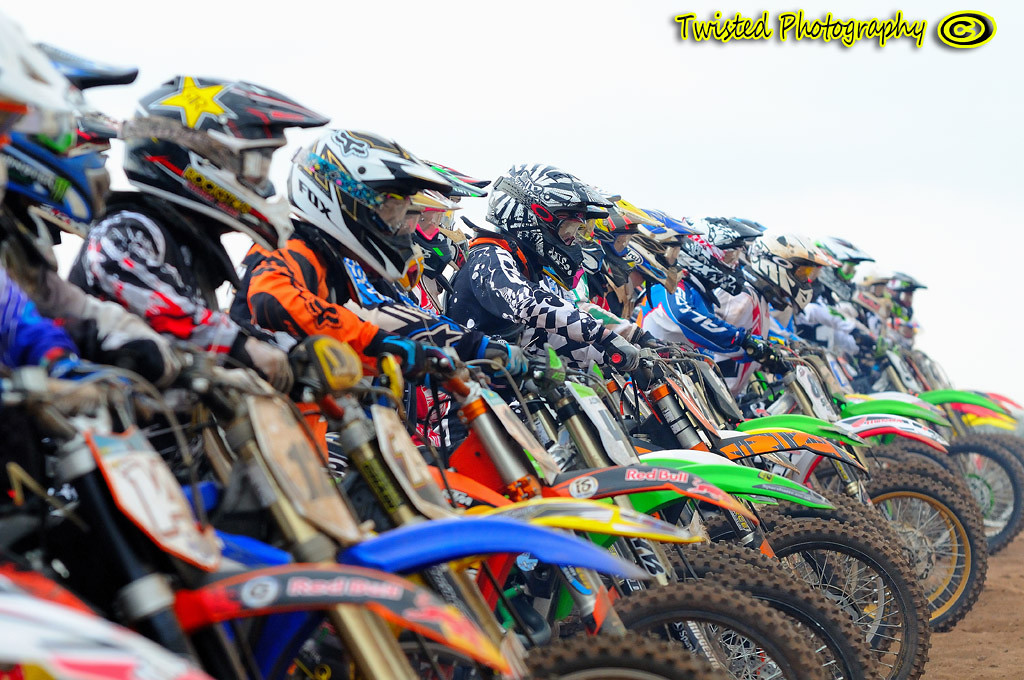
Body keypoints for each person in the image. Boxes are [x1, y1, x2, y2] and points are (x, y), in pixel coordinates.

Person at [69, 76, 330, 392]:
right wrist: (240, 346)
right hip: (93, 409)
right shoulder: (127, 228)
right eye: (253, 167)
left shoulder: (188, 244)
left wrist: (290, 351)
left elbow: (209, 320)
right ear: (198, 159)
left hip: (161, 413)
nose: (263, 184)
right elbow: (165, 309)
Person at [231, 129, 523, 378]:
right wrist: (385, 344)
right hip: (256, 403)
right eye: (389, 211)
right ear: (345, 200)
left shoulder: (336, 259)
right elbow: (273, 300)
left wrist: (445, 358)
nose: (400, 227)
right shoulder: (287, 245)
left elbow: (400, 315)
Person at [446, 163, 640, 371]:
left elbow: (543, 340)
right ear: (531, 218)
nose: (572, 239)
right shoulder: (487, 255)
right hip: (460, 383)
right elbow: (526, 302)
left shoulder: (524, 267)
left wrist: (609, 357)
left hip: (498, 380)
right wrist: (602, 335)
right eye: (567, 229)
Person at [716, 233, 834, 394]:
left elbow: (764, 336)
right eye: (802, 273)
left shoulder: (759, 298)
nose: (806, 281)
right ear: (778, 264)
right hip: (715, 392)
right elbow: (714, 343)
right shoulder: (743, 297)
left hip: (726, 395)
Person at [641, 215, 772, 360]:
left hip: (678, 369)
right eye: (729, 258)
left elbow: (720, 348)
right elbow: (683, 315)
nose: (735, 265)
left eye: (736, 258)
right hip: (650, 369)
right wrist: (741, 339)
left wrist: (760, 353)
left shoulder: (700, 292)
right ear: (701, 252)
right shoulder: (672, 284)